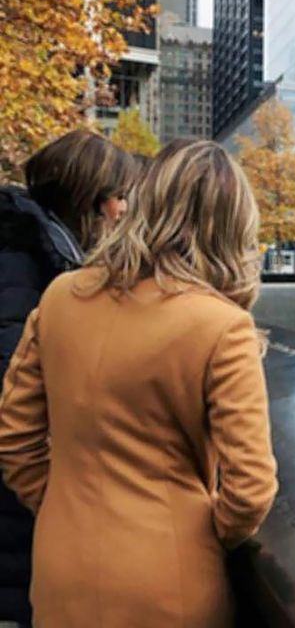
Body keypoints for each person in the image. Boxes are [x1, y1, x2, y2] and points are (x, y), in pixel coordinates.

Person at [0, 142, 278, 627]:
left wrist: (59, 503)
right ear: (234, 227)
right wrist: (200, 535)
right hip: (170, 582)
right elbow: (250, 490)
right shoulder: (223, 326)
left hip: (61, 566)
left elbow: (14, 440)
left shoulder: (62, 296)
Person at [0, 129, 138, 626]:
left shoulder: (39, 254)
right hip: (15, 528)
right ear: (92, 201)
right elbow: (15, 408)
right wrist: (57, 503)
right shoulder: (22, 264)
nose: (125, 212)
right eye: (121, 197)